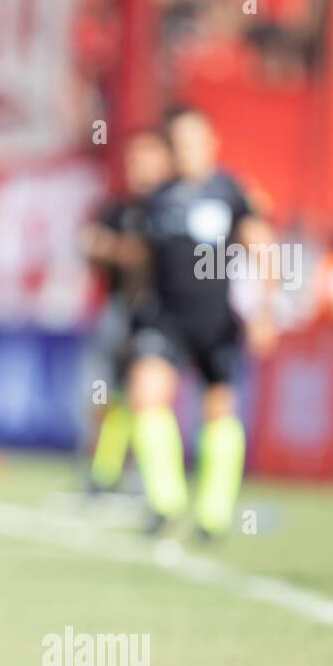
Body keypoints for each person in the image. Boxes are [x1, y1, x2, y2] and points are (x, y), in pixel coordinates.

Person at [127, 107, 278, 537]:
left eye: (193, 140)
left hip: (215, 319)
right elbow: (142, 256)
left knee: (218, 411)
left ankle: (213, 513)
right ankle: (165, 500)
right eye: (178, 142)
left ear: (211, 142)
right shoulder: (157, 198)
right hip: (166, 317)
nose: (186, 150)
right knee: (146, 396)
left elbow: (262, 248)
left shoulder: (232, 191)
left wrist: (265, 310)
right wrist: (137, 300)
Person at [82, 129, 174, 494]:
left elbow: (146, 257)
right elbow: (91, 245)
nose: (136, 168)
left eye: (145, 159)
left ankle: (145, 480)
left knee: (148, 398)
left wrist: (118, 250)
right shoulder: (118, 208)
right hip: (119, 310)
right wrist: (126, 251)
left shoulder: (170, 208)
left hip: (160, 315)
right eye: (132, 160)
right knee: (106, 395)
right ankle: (102, 474)